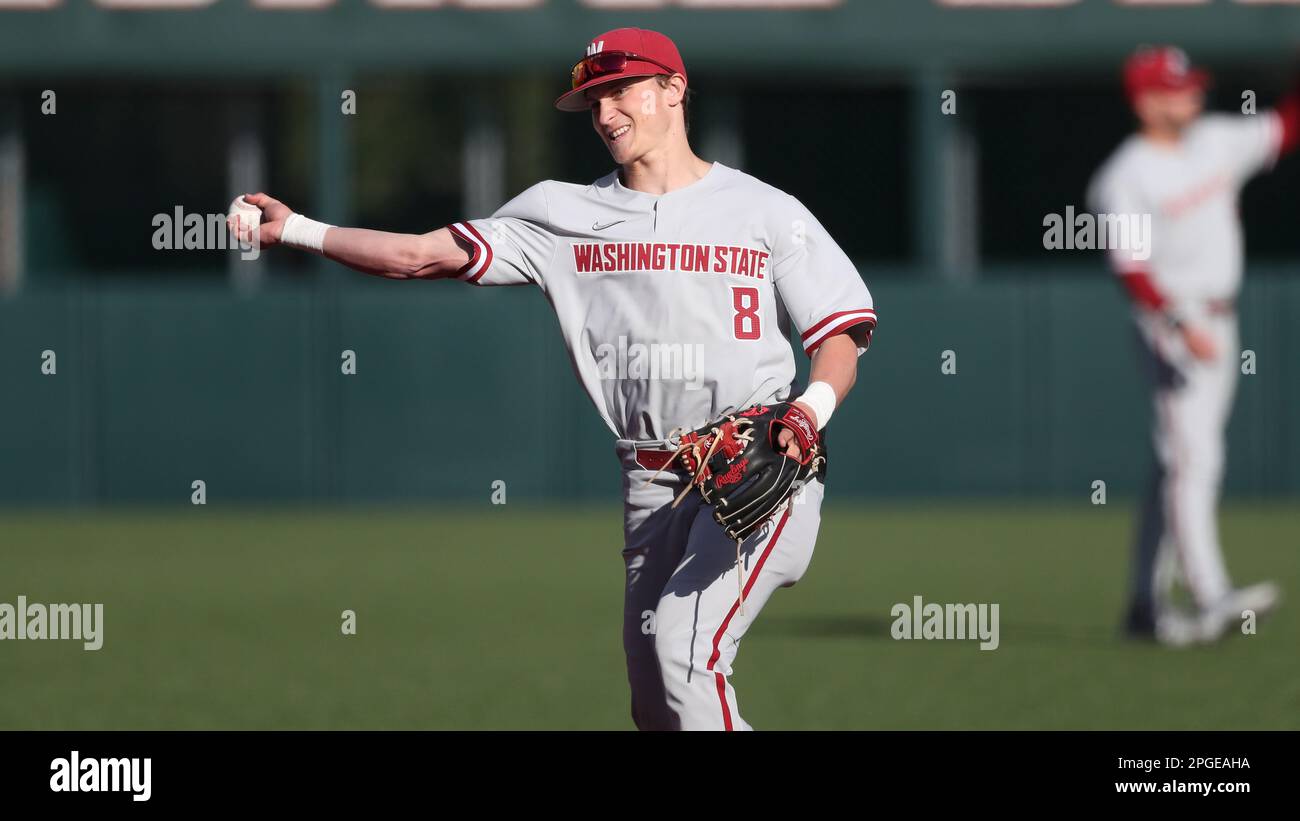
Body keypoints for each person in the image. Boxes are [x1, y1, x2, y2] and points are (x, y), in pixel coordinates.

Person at [230, 27, 876, 728]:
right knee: (658, 707)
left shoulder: (765, 210)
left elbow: (839, 331)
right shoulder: (560, 214)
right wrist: (296, 230)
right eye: (593, 100)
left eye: (620, 91)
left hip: (758, 465)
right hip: (651, 483)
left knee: (688, 656)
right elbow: (417, 256)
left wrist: (808, 409)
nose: (604, 114)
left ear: (673, 89)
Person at [1087, 46, 1293, 646]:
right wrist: (1179, 323)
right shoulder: (1123, 175)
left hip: (1220, 319)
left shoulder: (1217, 140)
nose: (1192, 95)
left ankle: (1144, 608)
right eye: (1178, 88)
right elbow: (1133, 271)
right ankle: (1212, 593)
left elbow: (1286, 125)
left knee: (1173, 465)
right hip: (1172, 324)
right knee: (1194, 459)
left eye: (1193, 86)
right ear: (1147, 100)